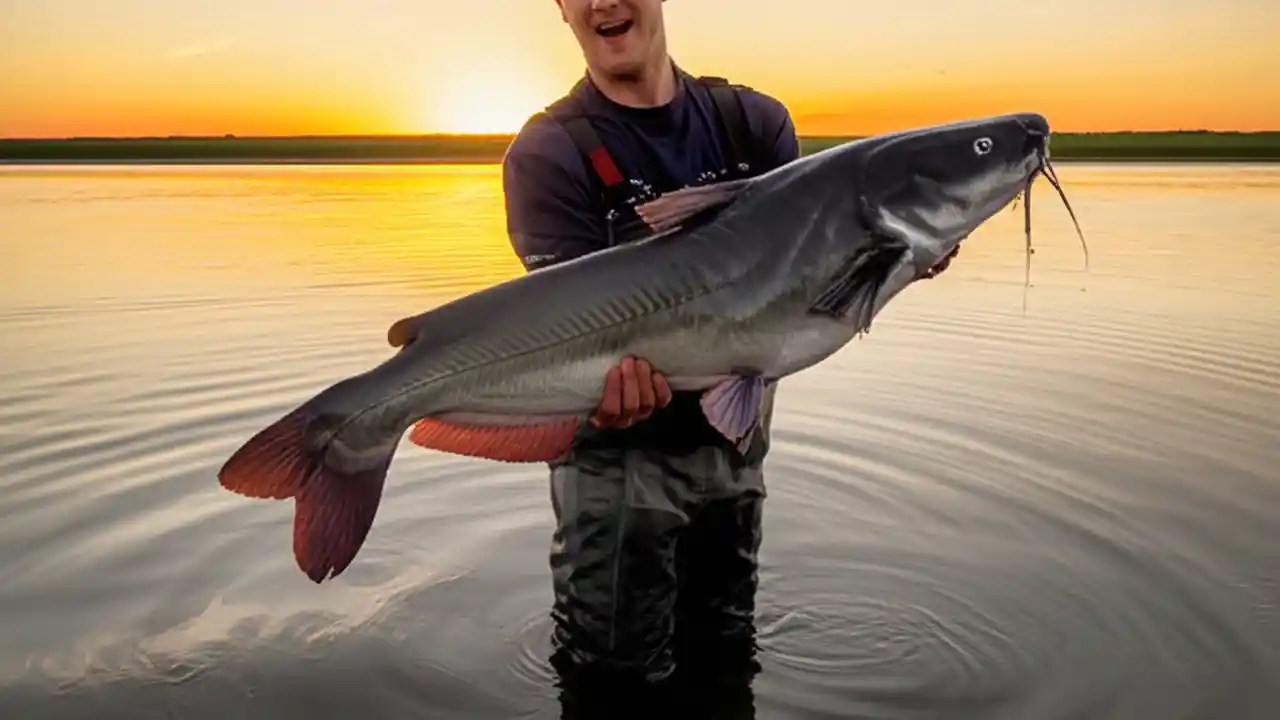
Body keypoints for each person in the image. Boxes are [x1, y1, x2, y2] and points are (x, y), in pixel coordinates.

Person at [500, 0, 800, 689]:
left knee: (725, 661)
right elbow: (562, 336)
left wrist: (895, 249)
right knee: (610, 682)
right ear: (562, 8)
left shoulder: (754, 127)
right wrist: (595, 392)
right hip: (616, 472)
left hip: (735, 451)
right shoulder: (549, 153)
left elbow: (806, 269)